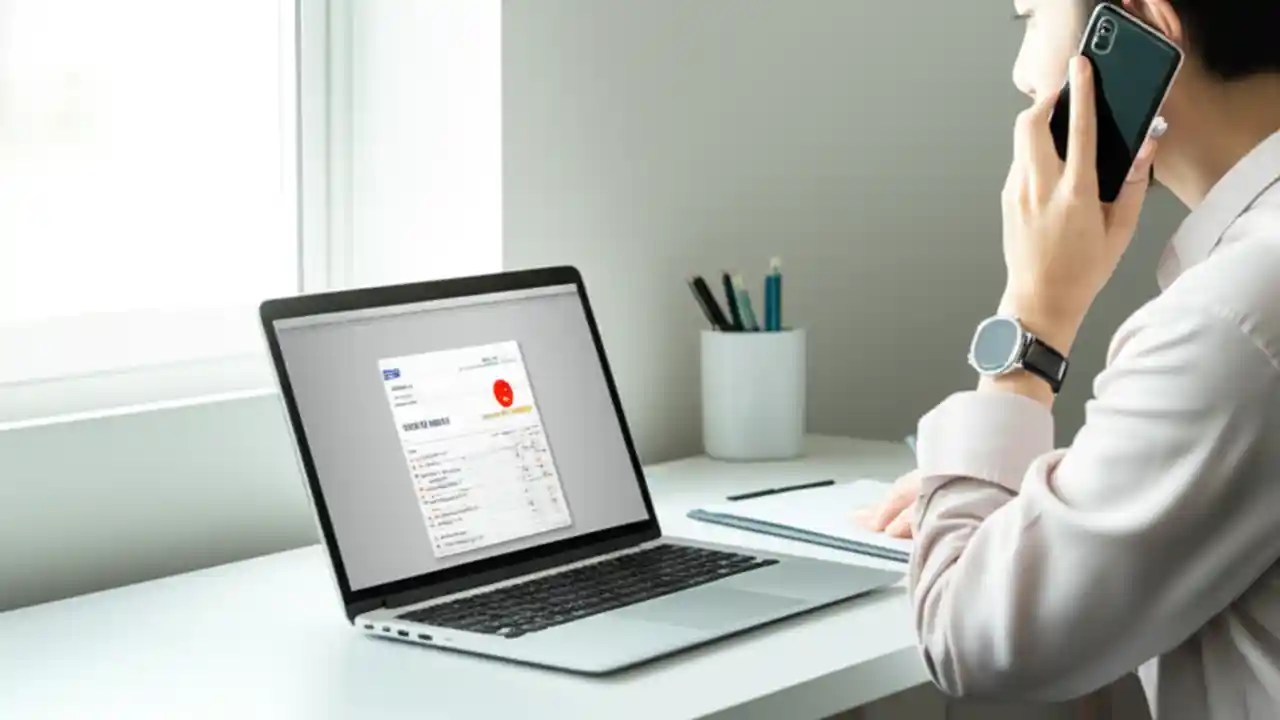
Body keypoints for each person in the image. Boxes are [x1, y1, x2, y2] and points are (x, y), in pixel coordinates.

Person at [855, 0, 1280, 717]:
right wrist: (1009, 497)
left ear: (1145, 21)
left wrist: (1032, 317)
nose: (1022, 77)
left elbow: (976, 644)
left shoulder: (1234, 315)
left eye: (1029, 15)